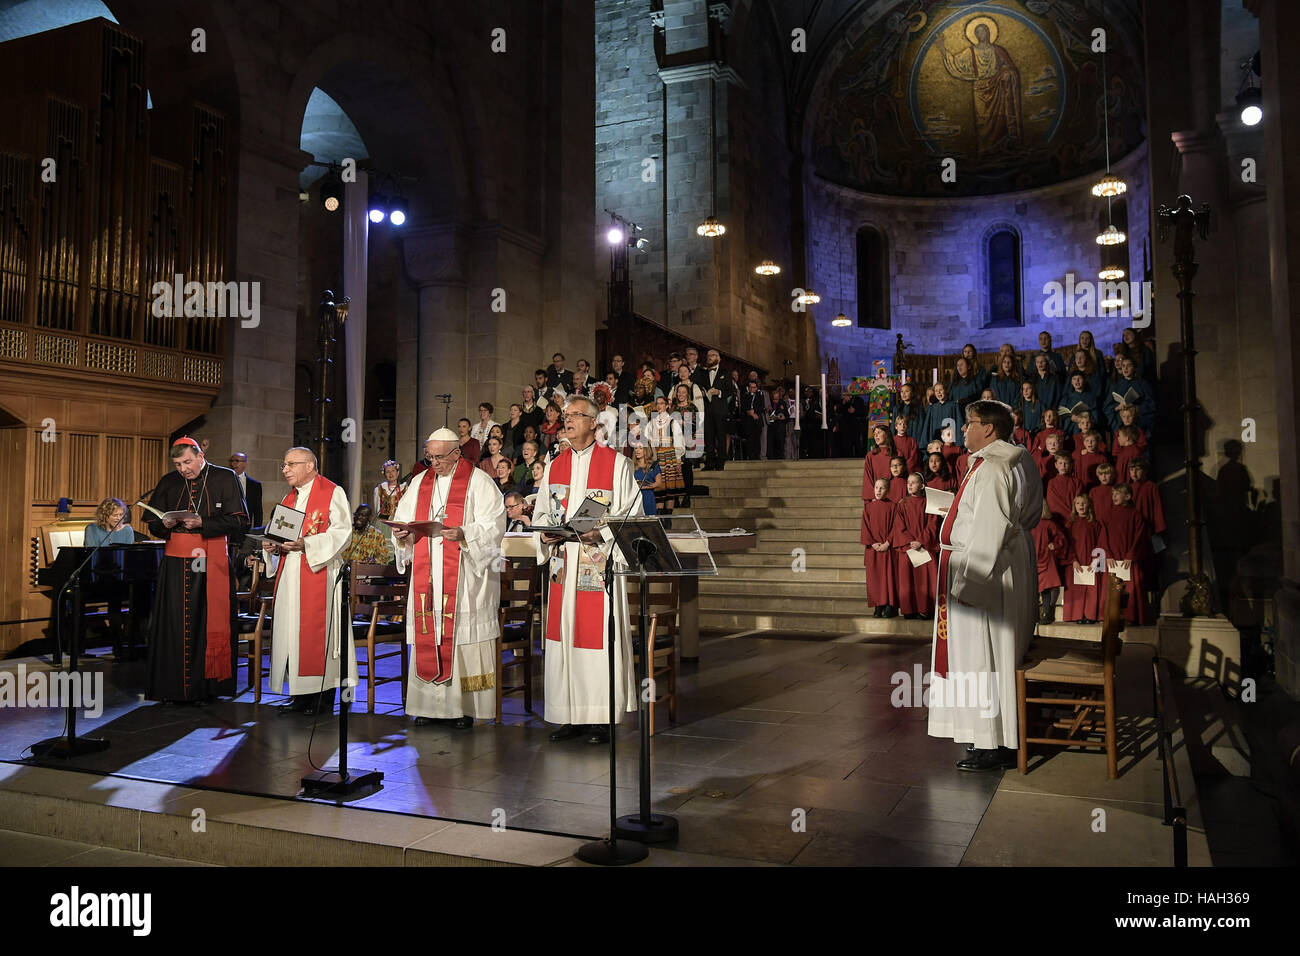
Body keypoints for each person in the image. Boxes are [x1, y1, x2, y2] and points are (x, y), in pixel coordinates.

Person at [929, 400, 1042, 772]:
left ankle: (993, 742)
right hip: (1007, 564)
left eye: (969, 423)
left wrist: (970, 584)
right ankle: (992, 736)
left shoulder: (994, 467)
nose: (963, 429)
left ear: (989, 429)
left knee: (983, 657)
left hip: (989, 572)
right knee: (991, 655)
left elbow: (990, 529)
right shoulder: (1017, 458)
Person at [534, 395, 642, 744]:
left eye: (575, 416)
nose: (566, 421)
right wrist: (546, 534)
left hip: (598, 564)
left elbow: (633, 516)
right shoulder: (554, 465)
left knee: (595, 640)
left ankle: (600, 718)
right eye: (565, 416)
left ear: (594, 424)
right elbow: (540, 515)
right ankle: (568, 715)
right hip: (564, 566)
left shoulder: (617, 465)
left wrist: (604, 533)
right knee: (564, 636)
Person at [390, 427, 506, 730]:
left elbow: (494, 525)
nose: (434, 463)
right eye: (430, 457)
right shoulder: (419, 482)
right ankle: (428, 708)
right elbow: (403, 519)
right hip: (428, 575)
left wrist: (465, 533)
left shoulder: (479, 482)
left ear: (457, 453)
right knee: (430, 633)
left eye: (440, 457)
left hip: (465, 573)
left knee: (463, 639)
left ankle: (465, 708)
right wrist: (402, 534)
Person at [145, 438, 249, 704]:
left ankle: (206, 688)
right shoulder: (169, 481)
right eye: (178, 464)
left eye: (188, 462)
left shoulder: (225, 478)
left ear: (200, 455)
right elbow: (153, 525)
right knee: (174, 622)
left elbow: (240, 521)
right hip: (175, 563)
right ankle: (171, 688)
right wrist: (164, 523)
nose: (183, 469)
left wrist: (203, 522)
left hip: (207, 558)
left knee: (204, 619)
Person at [263, 447, 353, 715]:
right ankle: (299, 695)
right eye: (284, 464)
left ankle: (322, 698)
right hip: (290, 573)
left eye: (291, 464)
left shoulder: (331, 492)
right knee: (292, 633)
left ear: (310, 465)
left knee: (316, 632)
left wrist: (307, 544)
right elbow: (281, 535)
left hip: (318, 572)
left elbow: (342, 532)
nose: (285, 469)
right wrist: (272, 545)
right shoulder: (289, 498)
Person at [1101, 484, 1152, 625]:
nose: (1114, 497)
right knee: (1112, 587)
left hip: (1128, 559)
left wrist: (1131, 555)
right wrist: (1108, 554)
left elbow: (1139, 536)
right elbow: (1103, 535)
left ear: (1128, 496)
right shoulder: (1107, 515)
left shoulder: (1136, 514)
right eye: (1113, 494)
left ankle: (1131, 617)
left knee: (1130, 587)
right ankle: (1112, 616)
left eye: (1118, 494)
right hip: (1113, 558)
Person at [892, 473, 938, 619]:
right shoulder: (902, 504)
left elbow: (932, 524)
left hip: (924, 546)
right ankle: (909, 609)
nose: (910, 485)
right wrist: (910, 541)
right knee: (907, 580)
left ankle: (924, 609)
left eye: (914, 482)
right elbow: (899, 526)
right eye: (908, 483)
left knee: (924, 580)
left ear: (922, 486)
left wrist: (921, 541)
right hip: (908, 548)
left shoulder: (928, 503)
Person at [1064, 494, 1106, 624]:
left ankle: (1090, 615)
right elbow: (1067, 543)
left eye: (1084, 503)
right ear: (1074, 506)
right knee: (1077, 588)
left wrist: (1095, 561)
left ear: (1089, 505)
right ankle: (1077, 615)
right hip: (1076, 561)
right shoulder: (1070, 524)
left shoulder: (1095, 523)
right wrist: (1073, 560)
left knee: (1091, 588)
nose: (1081, 506)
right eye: (1078, 503)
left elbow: (1101, 542)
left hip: (1091, 561)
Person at [861, 476, 898, 618]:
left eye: (882, 488)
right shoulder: (868, 507)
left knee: (888, 577)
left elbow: (896, 526)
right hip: (874, 548)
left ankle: (889, 605)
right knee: (875, 578)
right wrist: (872, 543)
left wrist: (888, 542)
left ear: (887, 490)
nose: (878, 490)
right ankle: (878, 605)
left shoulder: (893, 506)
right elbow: (865, 527)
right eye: (876, 487)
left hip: (888, 547)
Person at [693, 348, 733, 471]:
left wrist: (719, 392)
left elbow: (729, 390)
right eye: (708, 355)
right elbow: (695, 383)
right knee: (708, 437)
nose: (710, 357)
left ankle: (720, 462)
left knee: (721, 436)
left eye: (713, 355)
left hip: (720, 409)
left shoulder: (725, 372)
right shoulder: (702, 372)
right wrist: (702, 392)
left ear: (719, 358)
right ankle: (709, 463)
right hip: (706, 409)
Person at [1032, 499, 1067, 624]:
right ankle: (1034, 615)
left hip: (1046, 559)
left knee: (1045, 589)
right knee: (1033, 590)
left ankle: (1046, 615)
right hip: (1032, 560)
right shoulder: (1028, 524)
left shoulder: (1049, 524)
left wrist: (1055, 544)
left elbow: (1060, 537)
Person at [228, 452, 263, 527]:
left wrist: (257, 531)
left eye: (236, 461)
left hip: (245, 527)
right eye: (231, 461)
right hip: (227, 526)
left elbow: (258, 511)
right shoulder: (223, 481)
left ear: (245, 464)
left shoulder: (255, 485)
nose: (233, 464)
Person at [1045, 452, 1083, 520]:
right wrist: (1069, 515)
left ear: (1071, 465)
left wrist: (1073, 514)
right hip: (1058, 518)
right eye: (1060, 463)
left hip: (1073, 518)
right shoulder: (1052, 482)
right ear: (1056, 465)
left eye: (1066, 463)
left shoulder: (1077, 482)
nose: (1063, 466)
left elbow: (1079, 501)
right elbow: (1053, 503)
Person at [923, 380, 961, 446]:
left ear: (946, 390)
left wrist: (958, 443)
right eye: (936, 391)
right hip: (936, 442)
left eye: (941, 390)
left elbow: (959, 423)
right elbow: (928, 428)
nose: (938, 392)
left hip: (950, 442)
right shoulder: (932, 408)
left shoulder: (953, 406)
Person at [632, 445, 663, 516]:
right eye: (636, 448)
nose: (637, 450)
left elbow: (659, 483)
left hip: (648, 497)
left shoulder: (653, 465)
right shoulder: (631, 465)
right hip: (635, 498)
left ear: (646, 450)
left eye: (640, 448)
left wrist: (644, 487)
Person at [739, 380, 765, 460]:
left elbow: (762, 406)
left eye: (754, 387)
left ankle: (757, 455)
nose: (752, 389)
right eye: (751, 387)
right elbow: (743, 406)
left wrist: (755, 414)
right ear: (749, 388)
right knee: (750, 438)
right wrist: (749, 412)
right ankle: (750, 455)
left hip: (757, 419)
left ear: (756, 388)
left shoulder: (760, 395)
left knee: (757, 438)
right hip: (748, 420)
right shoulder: (745, 396)